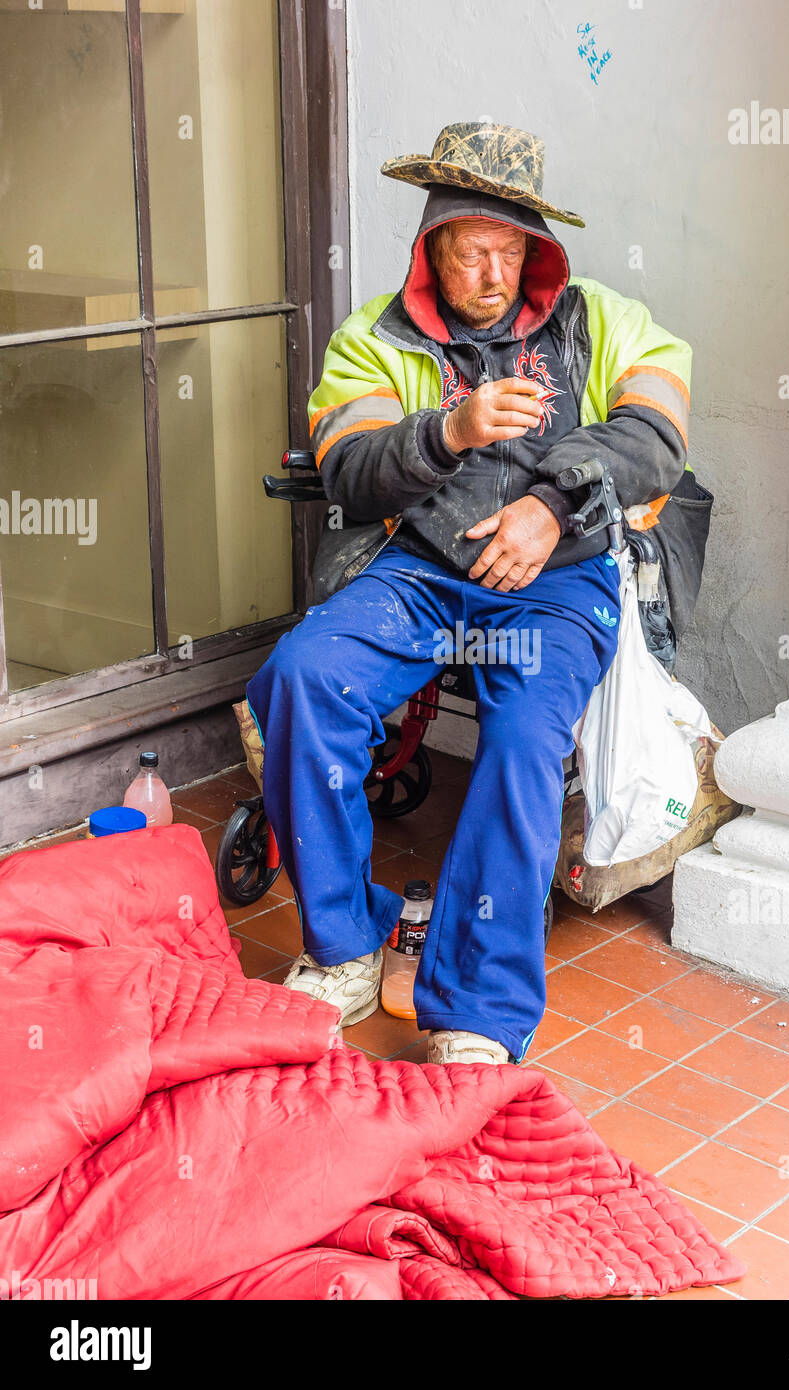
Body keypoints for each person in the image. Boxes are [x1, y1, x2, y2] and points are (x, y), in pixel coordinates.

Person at [245, 122, 693, 1065]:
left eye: (508, 251)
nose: (491, 274)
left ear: (536, 251)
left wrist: (548, 507)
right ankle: (342, 946)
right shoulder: (372, 338)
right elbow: (353, 476)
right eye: (467, 253)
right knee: (302, 677)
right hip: (418, 571)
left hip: (553, 583)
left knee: (527, 739)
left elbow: (656, 439)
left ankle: (479, 1012)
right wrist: (446, 431)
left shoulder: (605, 319)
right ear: (429, 254)